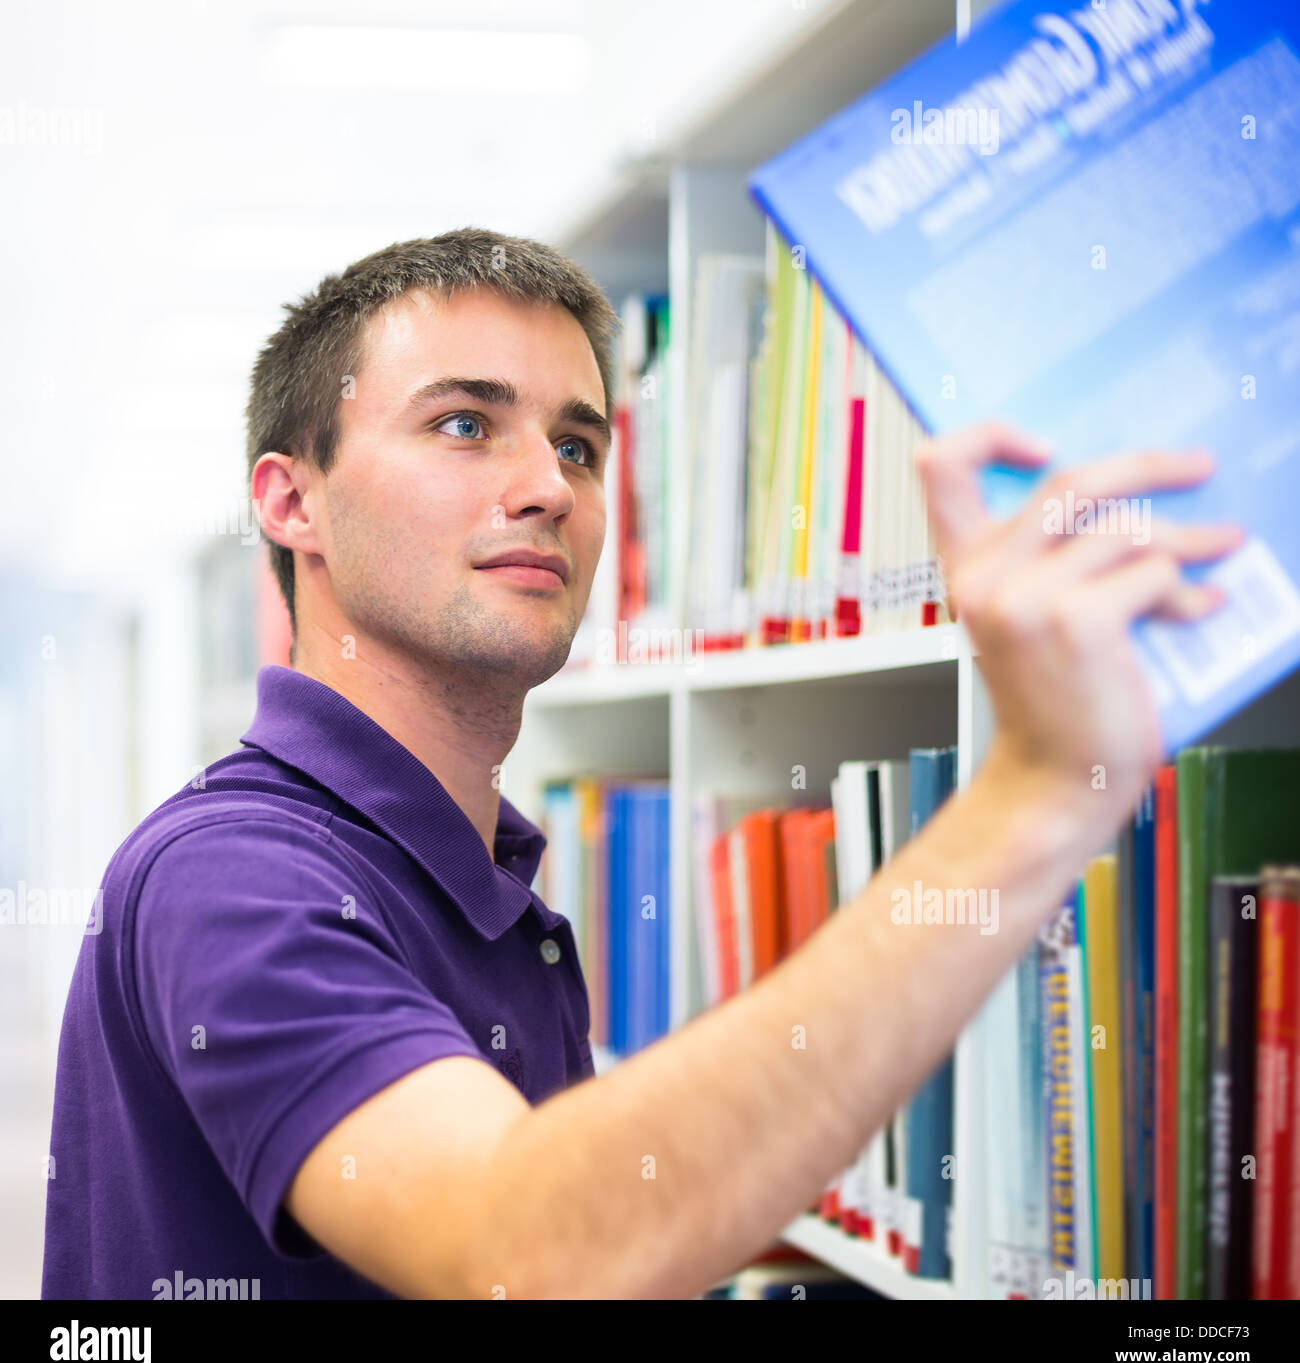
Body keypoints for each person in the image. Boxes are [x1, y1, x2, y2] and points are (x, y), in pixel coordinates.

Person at [41, 227, 1241, 1300]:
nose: (546, 488)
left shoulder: (480, 866)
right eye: (464, 423)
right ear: (288, 502)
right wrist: (1033, 788)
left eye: (577, 444)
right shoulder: (234, 877)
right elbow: (521, 1255)